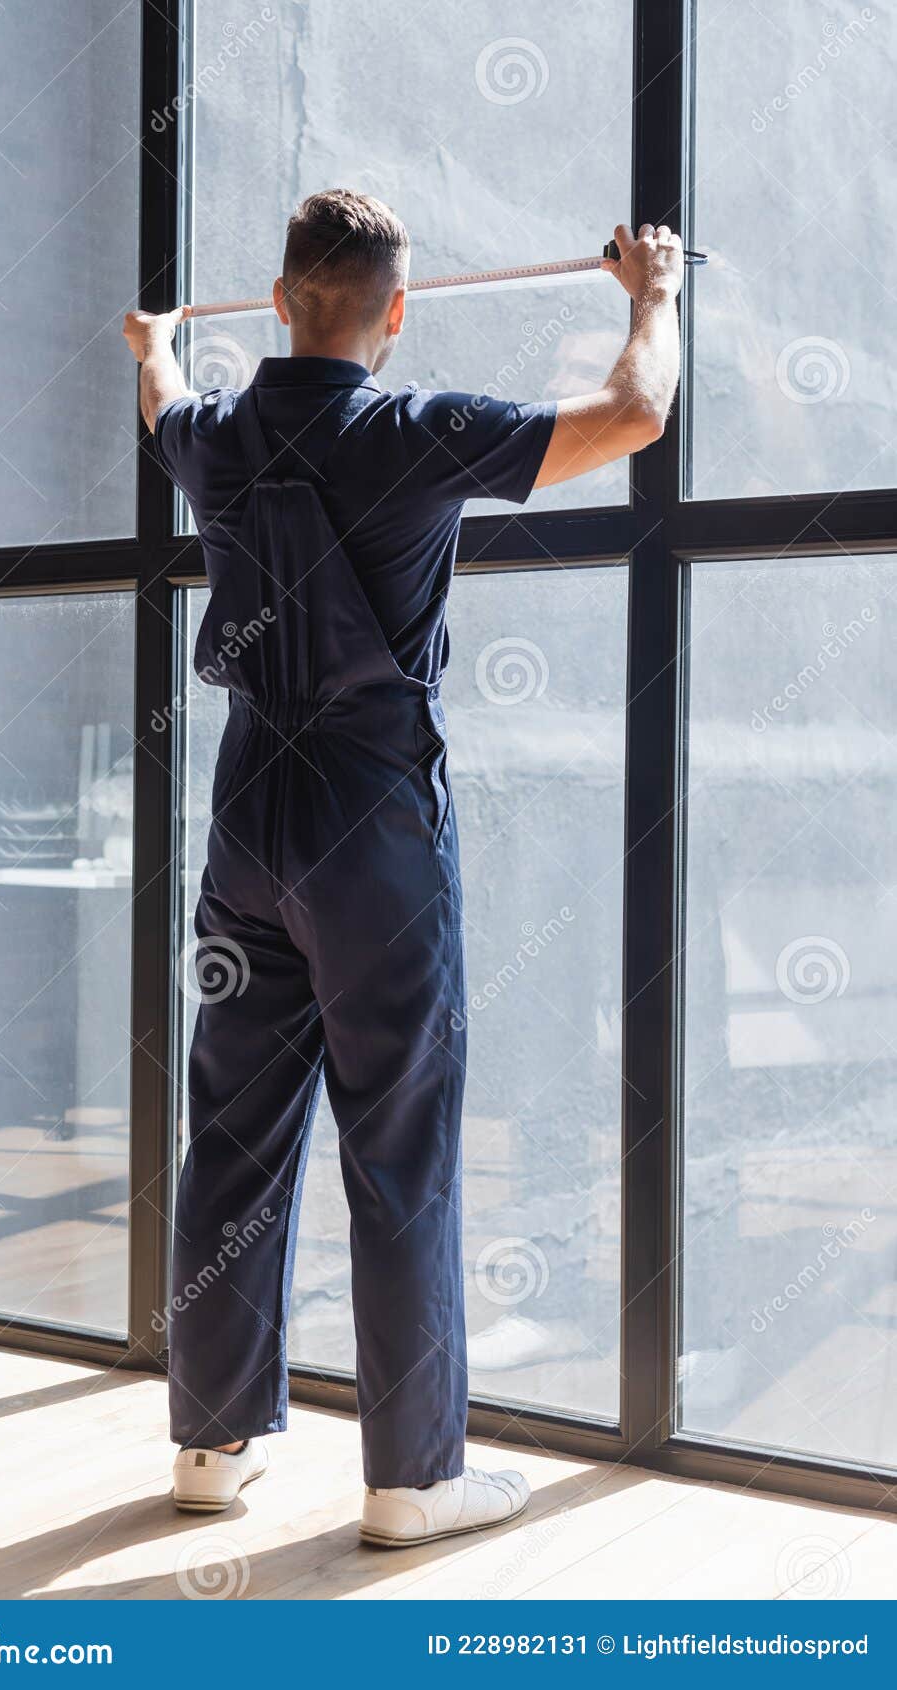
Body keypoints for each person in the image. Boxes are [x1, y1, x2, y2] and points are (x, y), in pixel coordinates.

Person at [123, 190, 682, 1549]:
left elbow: (157, 399)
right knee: (403, 1136)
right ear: (396, 312)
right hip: (369, 820)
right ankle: (413, 1476)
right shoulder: (413, 430)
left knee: (234, 1121)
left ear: (274, 300)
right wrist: (654, 291)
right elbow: (634, 414)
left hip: (247, 813)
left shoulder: (215, 433)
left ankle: (210, 1439)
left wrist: (147, 340)